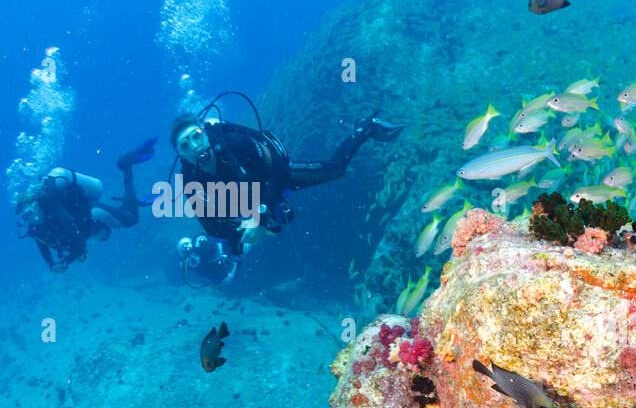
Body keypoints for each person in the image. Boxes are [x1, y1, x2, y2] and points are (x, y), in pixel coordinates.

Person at [169, 107, 405, 285]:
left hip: (271, 177)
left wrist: (260, 213)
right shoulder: (190, 181)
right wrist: (242, 234)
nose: (194, 146)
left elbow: (280, 171)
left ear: (206, 134)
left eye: (196, 135)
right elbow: (212, 228)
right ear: (181, 155)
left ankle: (366, 128)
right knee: (237, 240)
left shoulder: (233, 143)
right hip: (242, 199)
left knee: (335, 169)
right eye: (185, 145)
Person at [15, 139, 155, 272]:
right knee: (111, 228)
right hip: (83, 222)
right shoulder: (36, 226)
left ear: (34, 205)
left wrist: (66, 262)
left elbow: (78, 239)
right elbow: (41, 243)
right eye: (25, 219)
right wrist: (51, 265)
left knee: (131, 219)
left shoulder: (53, 207)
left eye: (29, 214)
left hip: (90, 211)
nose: (31, 220)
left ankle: (126, 165)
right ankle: (129, 202)